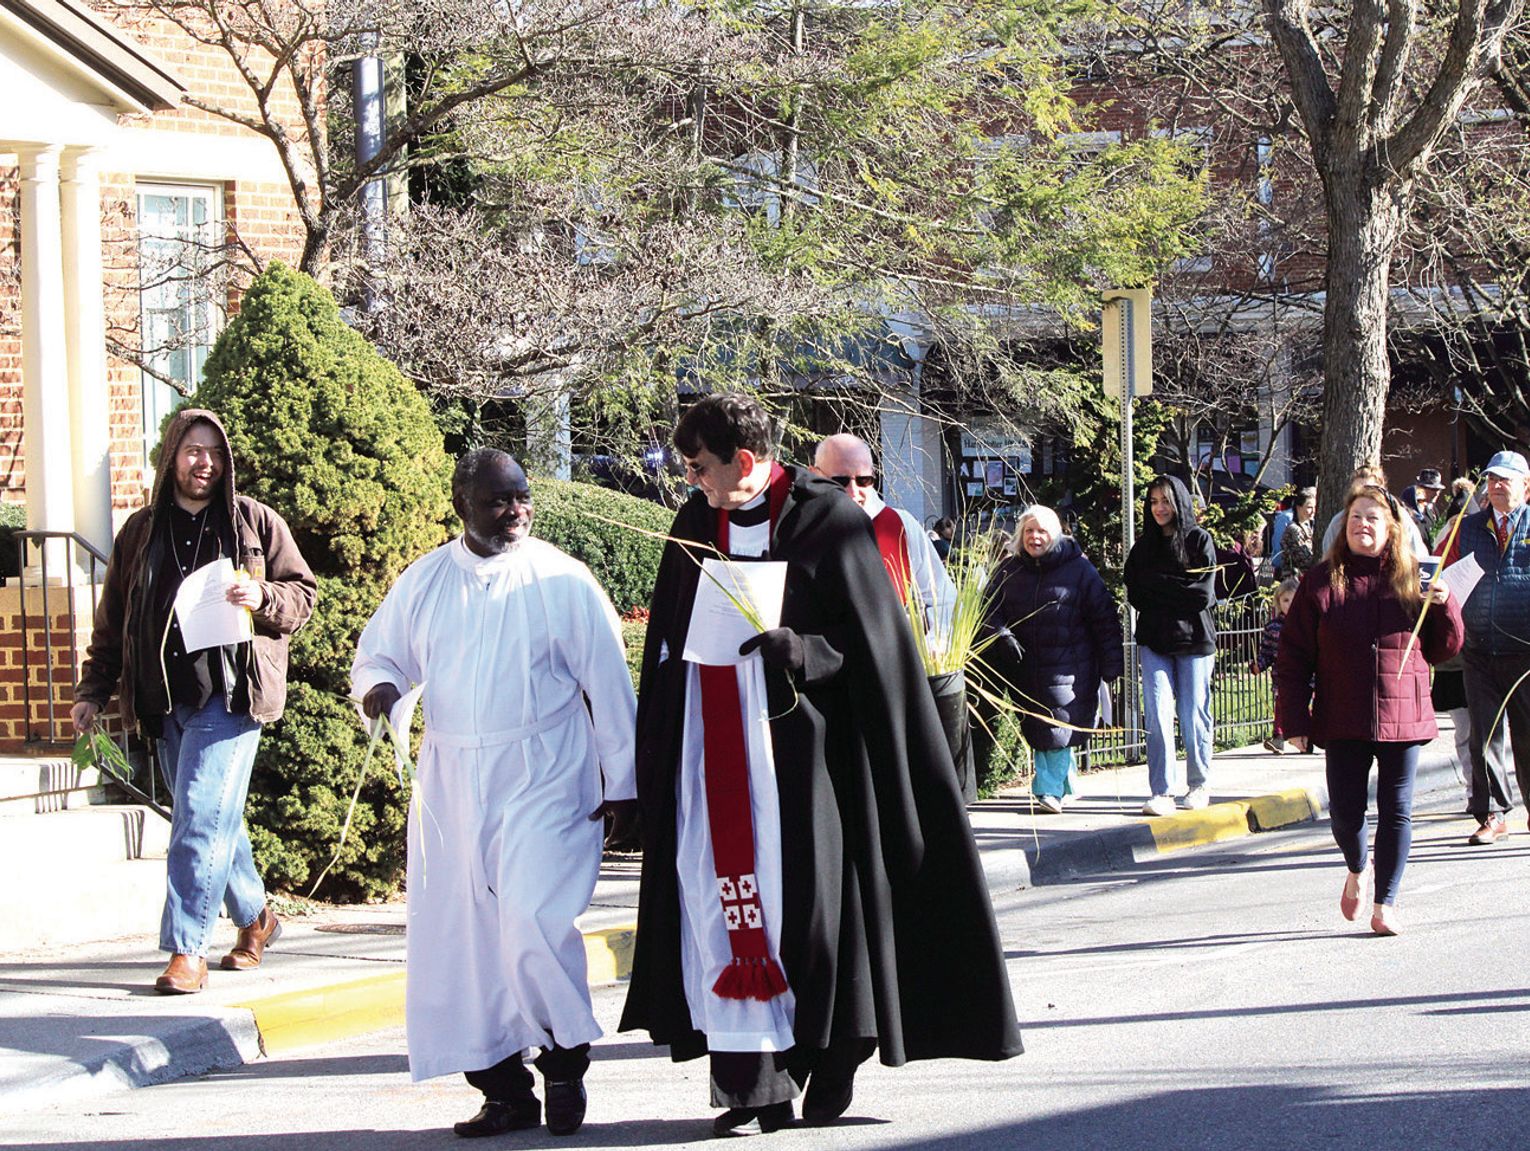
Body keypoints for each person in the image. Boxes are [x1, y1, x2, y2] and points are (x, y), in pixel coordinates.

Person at [620, 395, 1021, 1136]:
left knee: (810, 914)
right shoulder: (692, 524)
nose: (692, 479)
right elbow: (668, 640)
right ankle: (752, 1081)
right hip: (714, 751)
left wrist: (806, 651)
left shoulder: (827, 518)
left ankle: (832, 1052)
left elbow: (876, 642)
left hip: (808, 752)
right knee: (725, 908)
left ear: (743, 461)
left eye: (700, 466)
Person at [350, 450, 636, 1139]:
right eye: (497, 501)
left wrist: (625, 785)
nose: (514, 511)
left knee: (532, 921)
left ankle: (565, 1061)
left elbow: (608, 682)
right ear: (462, 505)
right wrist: (382, 691)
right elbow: (378, 656)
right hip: (452, 780)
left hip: (544, 770)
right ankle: (503, 1088)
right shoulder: (424, 581)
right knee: (464, 941)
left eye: (521, 497)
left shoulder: (562, 581)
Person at [72, 409, 316, 994]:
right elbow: (113, 624)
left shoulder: (252, 522)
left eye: (213, 452)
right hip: (163, 700)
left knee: (198, 817)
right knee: (208, 818)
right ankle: (258, 917)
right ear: (171, 457)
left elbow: (302, 594)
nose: (204, 462)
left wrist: (261, 594)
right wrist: (92, 691)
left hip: (231, 698)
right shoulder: (141, 531)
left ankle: (187, 949)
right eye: (192, 450)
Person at [1276, 485, 1463, 936]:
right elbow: (1293, 656)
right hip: (1343, 715)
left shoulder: (1414, 578)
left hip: (1404, 711)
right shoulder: (1322, 582)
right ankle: (1358, 867)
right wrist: (1294, 721)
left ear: (1391, 529)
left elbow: (1443, 648)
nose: (1364, 525)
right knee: (1345, 812)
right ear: (1345, 526)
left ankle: (1386, 904)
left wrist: (1445, 605)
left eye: (1374, 518)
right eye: (1357, 517)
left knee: (1397, 809)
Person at [981, 505, 1123, 813]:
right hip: (1025, 666)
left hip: (1069, 666)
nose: (1035, 537)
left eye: (1042, 531)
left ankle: (1048, 790)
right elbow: (988, 609)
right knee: (1042, 725)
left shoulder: (1080, 571)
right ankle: (1067, 783)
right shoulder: (1009, 570)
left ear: (1055, 535)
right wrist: (1002, 635)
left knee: (1056, 722)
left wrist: (1112, 662)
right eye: (1029, 531)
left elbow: (1104, 618)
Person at [1439, 450, 1530, 846]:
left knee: (1528, 736)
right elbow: (1443, 570)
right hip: (1478, 650)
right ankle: (1491, 813)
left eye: (1504, 480)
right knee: (1483, 735)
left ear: (1525, 486)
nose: (1495, 487)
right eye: (1491, 480)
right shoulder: (1468, 526)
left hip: (1525, 651)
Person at [1124, 475, 1217, 816]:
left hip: (1194, 641)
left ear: (1179, 501)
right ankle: (1161, 790)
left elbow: (1202, 595)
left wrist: (1158, 587)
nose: (1159, 508)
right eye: (1153, 501)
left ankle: (1198, 783)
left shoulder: (1198, 540)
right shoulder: (1143, 548)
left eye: (1165, 500)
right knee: (1159, 714)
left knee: (1193, 714)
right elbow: (1136, 593)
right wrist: (1176, 586)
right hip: (1154, 640)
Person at [812, 433, 956, 640]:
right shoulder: (799, 529)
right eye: (840, 481)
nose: (853, 492)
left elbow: (943, 597)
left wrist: (930, 647)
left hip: (890, 663)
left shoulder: (901, 526)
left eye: (863, 480)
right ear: (815, 475)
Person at [1321, 466, 1427, 556]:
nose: (1363, 497)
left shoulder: (1400, 518)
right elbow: (1328, 558)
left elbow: (1418, 557)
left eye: (1370, 491)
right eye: (1357, 492)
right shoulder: (1338, 522)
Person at [1250, 578, 1299, 753]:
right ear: (1278, 602)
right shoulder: (1273, 627)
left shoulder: (1307, 624)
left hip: (1306, 676)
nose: (1289, 604)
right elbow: (1267, 653)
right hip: (1282, 675)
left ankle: (1306, 736)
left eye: (1294, 599)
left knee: (1306, 705)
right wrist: (1258, 665)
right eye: (1285, 600)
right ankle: (1278, 737)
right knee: (1281, 704)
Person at [1276, 487, 1318, 579]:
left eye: (1315, 507)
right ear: (1299, 508)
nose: (1313, 511)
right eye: (1309, 507)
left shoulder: (1307, 527)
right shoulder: (1294, 529)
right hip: (1294, 580)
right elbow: (1305, 560)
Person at [1400, 468, 1446, 533]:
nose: (1436, 493)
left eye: (1438, 490)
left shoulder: (1433, 511)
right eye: (1433, 489)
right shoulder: (1408, 510)